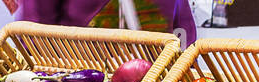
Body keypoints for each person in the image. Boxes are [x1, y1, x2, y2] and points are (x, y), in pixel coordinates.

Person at [18, 0, 198, 43]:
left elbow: (182, 22)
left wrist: (185, 64)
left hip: (158, 78)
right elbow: (34, 28)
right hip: (82, 77)